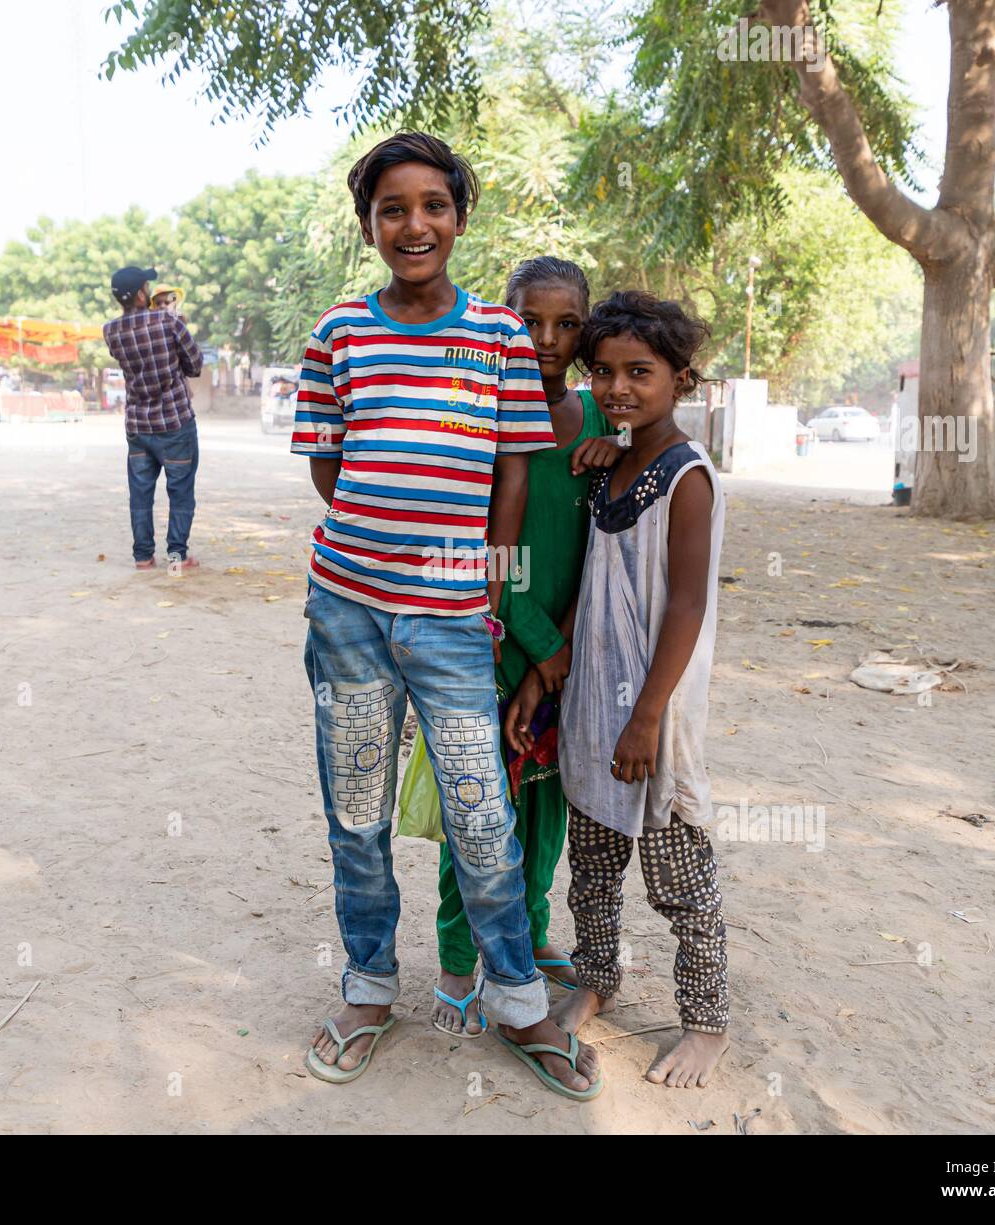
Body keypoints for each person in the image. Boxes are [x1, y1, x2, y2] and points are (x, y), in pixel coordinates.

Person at [291, 131, 601, 1099]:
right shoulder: (340, 332)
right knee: (356, 810)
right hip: (347, 609)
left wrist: (477, 582)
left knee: (479, 813)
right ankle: (368, 987)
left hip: (452, 621)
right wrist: (377, 544)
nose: (413, 223)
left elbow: (512, 465)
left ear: (459, 219)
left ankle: (516, 1000)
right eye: (393, 208)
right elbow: (327, 460)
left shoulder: (499, 337)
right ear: (370, 225)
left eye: (432, 205)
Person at [539, 289, 732, 1090]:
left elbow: (684, 604)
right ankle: (596, 977)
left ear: (681, 378)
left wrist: (646, 716)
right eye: (606, 372)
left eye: (640, 373)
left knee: (680, 878)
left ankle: (707, 1024)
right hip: (595, 704)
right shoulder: (615, 463)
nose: (619, 388)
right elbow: (597, 571)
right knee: (591, 866)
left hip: (654, 714)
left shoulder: (686, 476)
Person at [429, 256, 620, 1037]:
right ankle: (455, 961)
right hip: (494, 643)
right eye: (527, 319)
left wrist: (561, 650)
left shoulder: (601, 423)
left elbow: (607, 550)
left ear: (585, 330)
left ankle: (529, 934)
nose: (544, 338)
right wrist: (537, 646)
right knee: (478, 810)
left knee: (546, 806)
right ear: (499, 318)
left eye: (565, 323)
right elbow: (481, 548)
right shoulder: (478, 417)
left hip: (569, 652)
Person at [102, 265, 203, 571]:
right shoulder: (168, 321)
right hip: (175, 421)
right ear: (141, 293)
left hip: (137, 425)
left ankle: (143, 556)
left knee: (141, 493)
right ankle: (177, 555)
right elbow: (195, 365)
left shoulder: (111, 331)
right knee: (180, 491)